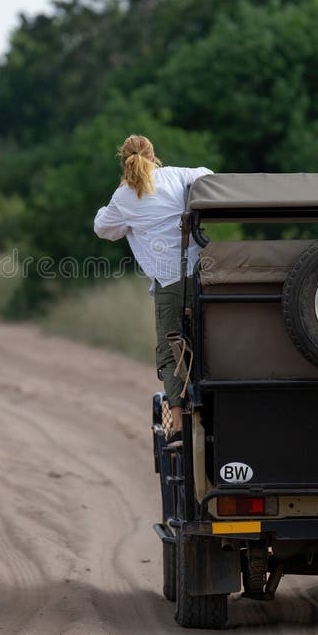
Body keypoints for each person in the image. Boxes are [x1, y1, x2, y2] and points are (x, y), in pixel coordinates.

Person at [94, 135, 213, 444]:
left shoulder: (124, 196)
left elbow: (103, 228)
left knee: (171, 348)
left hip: (170, 282)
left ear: (124, 160)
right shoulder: (177, 175)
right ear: (153, 155)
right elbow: (208, 175)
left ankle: (177, 426)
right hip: (205, 276)